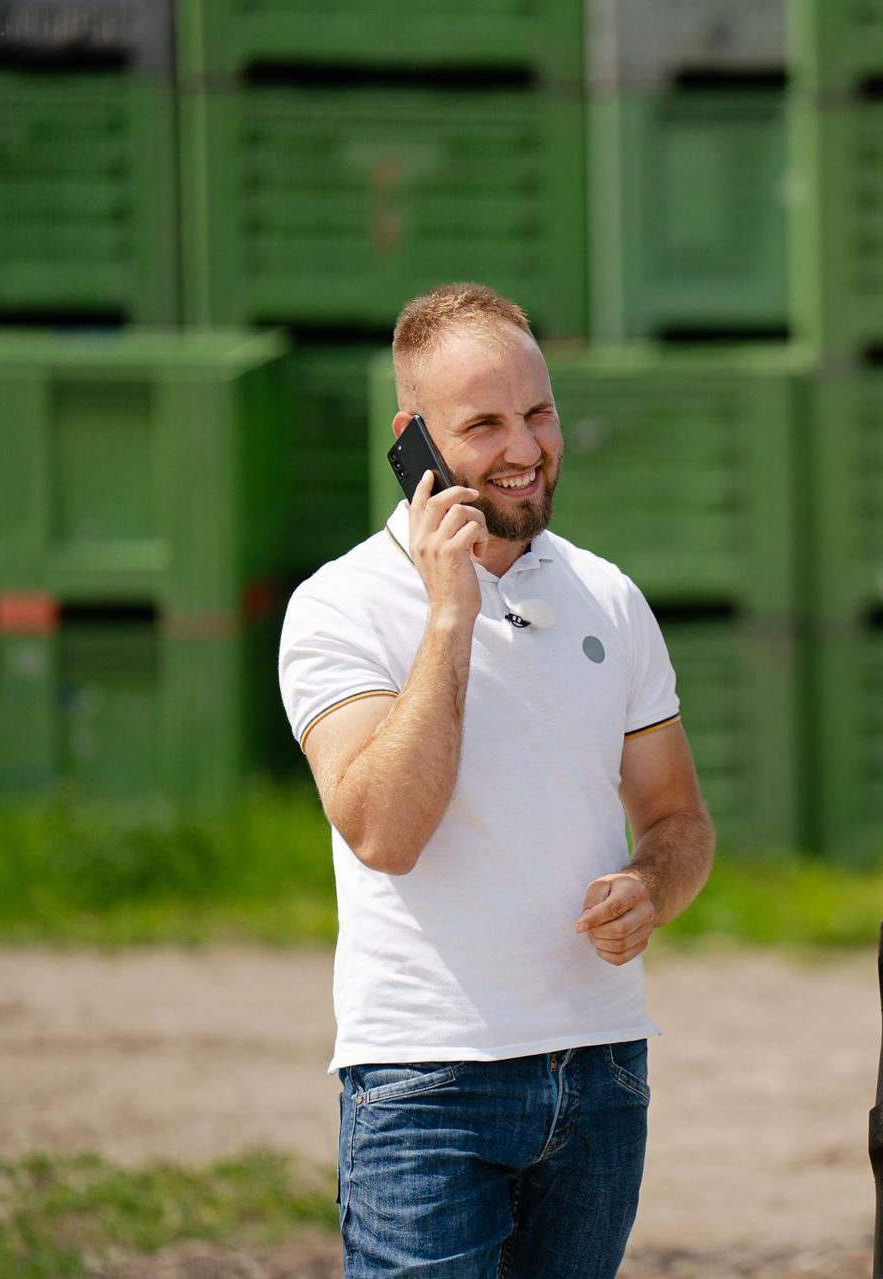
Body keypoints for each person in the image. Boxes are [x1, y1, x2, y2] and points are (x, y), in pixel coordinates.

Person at [277, 282, 714, 1278]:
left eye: (539, 412)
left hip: (603, 1077)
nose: (525, 447)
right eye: (483, 424)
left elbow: (678, 817)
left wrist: (654, 883)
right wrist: (449, 612)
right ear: (413, 438)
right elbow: (385, 827)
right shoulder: (338, 607)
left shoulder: (610, 595)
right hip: (425, 1085)